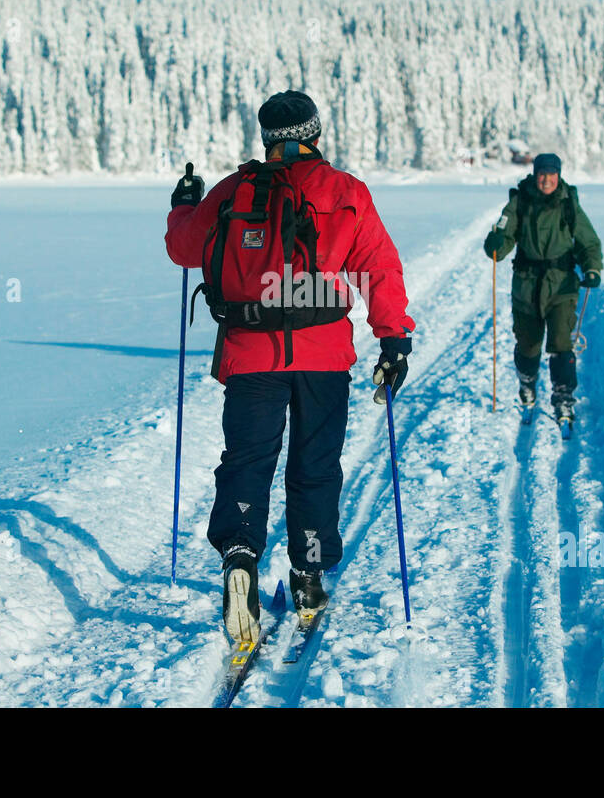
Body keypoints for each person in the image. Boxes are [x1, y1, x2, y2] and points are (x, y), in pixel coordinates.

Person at [164, 90, 415, 644]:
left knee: (248, 460)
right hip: (323, 356)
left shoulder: (236, 189)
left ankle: (239, 555)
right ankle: (308, 575)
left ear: (267, 140)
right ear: (315, 134)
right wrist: (392, 336)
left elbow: (183, 247)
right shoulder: (345, 191)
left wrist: (185, 203)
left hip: (250, 355)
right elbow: (378, 266)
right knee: (315, 465)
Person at [483, 153, 603, 426]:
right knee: (528, 345)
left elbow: (589, 241)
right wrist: (496, 245)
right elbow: (504, 235)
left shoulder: (568, 203)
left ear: (558, 175)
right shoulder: (520, 201)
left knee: (561, 344)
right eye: (542, 174)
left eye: (552, 174)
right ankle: (527, 382)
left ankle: (563, 398)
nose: (547, 179)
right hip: (526, 285)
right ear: (535, 174)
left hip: (561, 286)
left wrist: (592, 267)